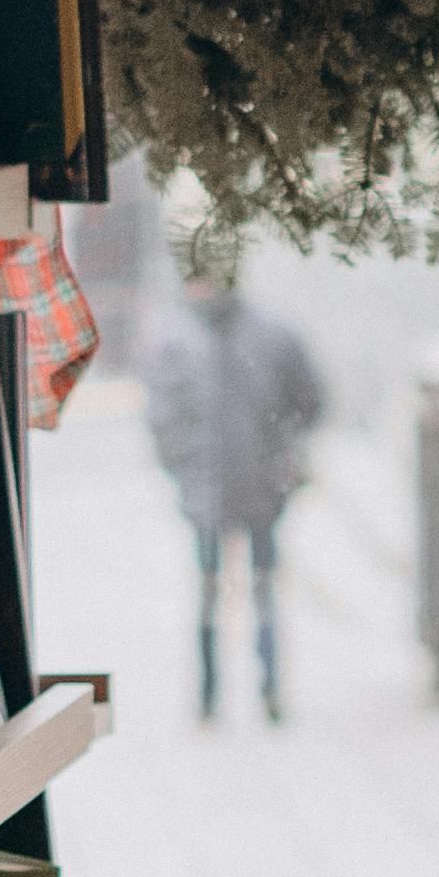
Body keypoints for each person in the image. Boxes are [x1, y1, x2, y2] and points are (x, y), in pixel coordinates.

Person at [141, 257, 328, 726]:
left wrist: (182, 465)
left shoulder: (179, 341)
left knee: (237, 591)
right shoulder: (264, 334)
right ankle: (241, 694)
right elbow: (310, 401)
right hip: (244, 485)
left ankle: (234, 695)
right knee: (239, 591)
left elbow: (163, 418)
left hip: (236, 485)